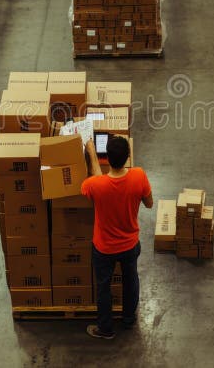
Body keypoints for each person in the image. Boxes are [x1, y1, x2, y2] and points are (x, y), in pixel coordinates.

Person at [81, 135, 153, 339]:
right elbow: (149, 203)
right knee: (131, 281)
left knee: (104, 287)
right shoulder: (139, 176)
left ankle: (105, 329)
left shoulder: (96, 185)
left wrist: (91, 153)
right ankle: (129, 320)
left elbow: (94, 180)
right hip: (130, 245)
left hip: (104, 248)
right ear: (127, 157)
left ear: (108, 159)